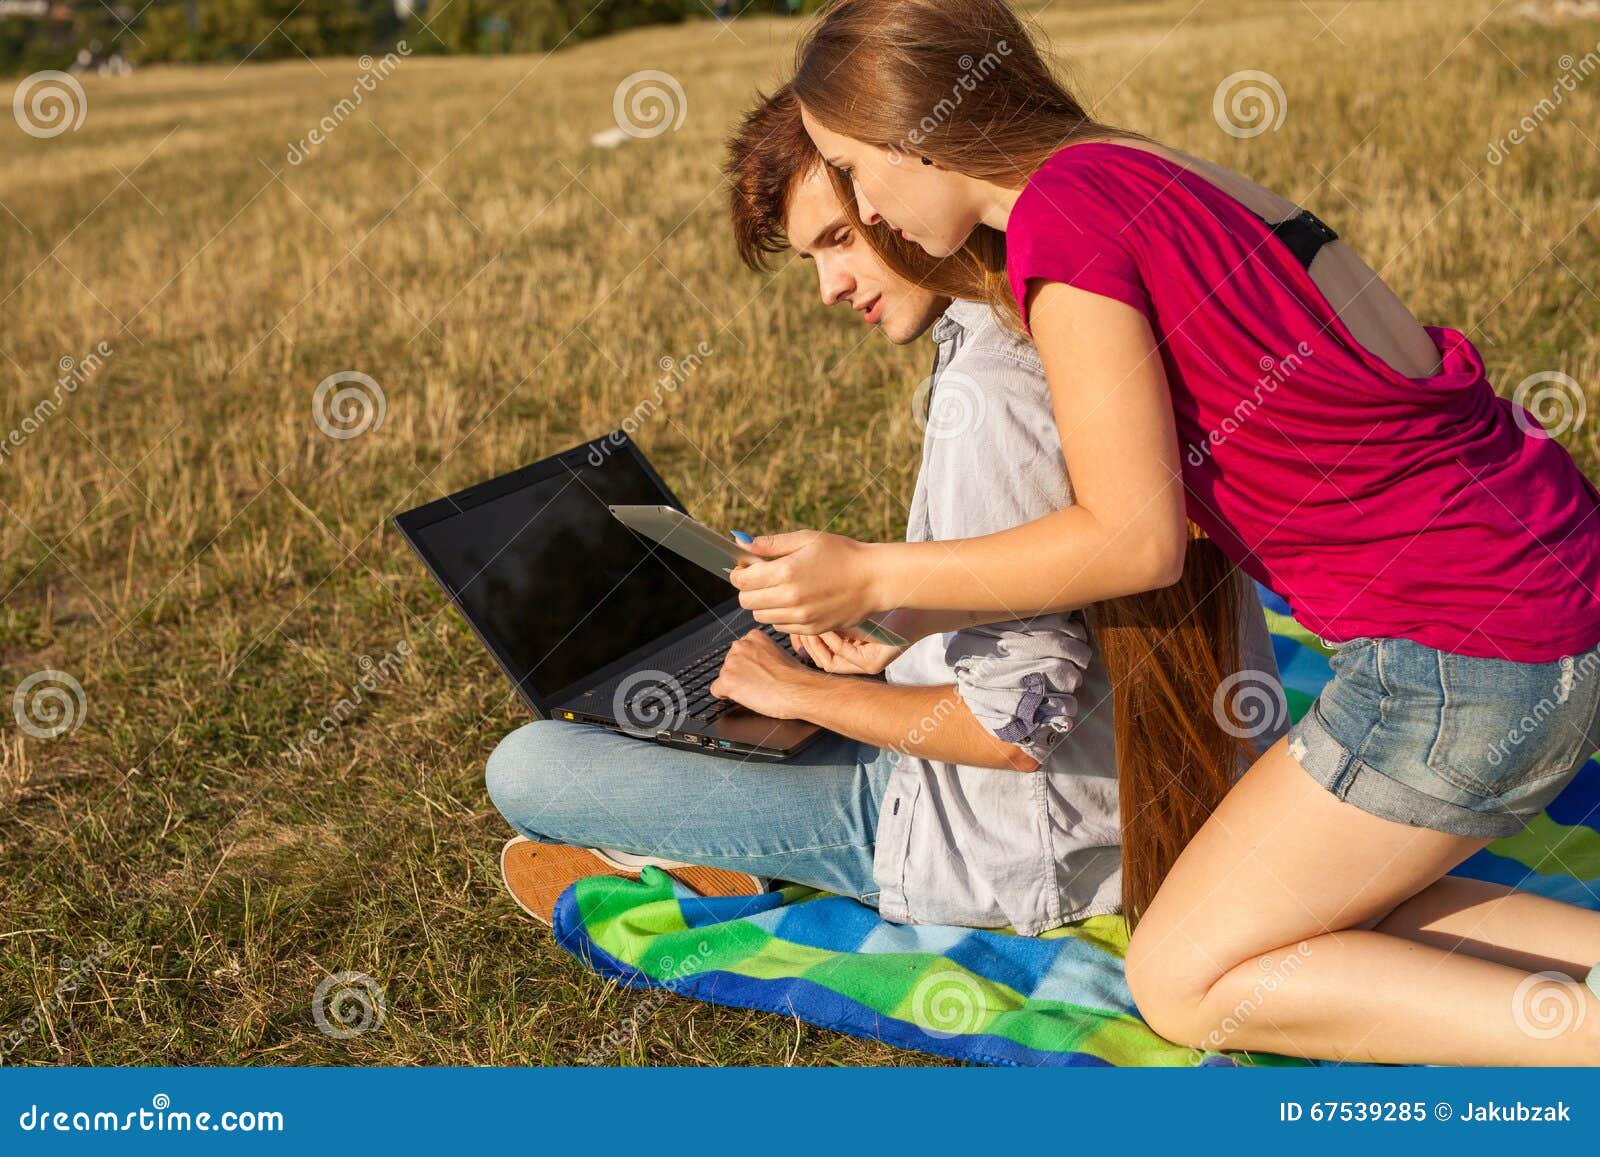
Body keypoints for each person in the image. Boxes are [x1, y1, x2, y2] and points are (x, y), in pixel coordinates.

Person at [730, 0, 1600, 1063]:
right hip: (1548, 584)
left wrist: (871, 573)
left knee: (1182, 977)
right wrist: (911, 612)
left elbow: (1132, 539)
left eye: (853, 171)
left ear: (916, 130)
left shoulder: (1063, 220)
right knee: (1279, 906)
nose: (864, 210)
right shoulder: (1127, 167)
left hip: (1464, 658)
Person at [483, 85, 1287, 937]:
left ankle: (708, 857)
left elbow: (1015, 729)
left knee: (528, 766)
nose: (830, 287)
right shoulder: (1038, 309)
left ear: (895, 189)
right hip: (1118, 783)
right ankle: (704, 832)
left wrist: (801, 691)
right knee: (713, 717)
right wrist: (897, 625)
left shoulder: (994, 388)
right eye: (812, 259)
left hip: (997, 839)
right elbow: (1053, 600)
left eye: (840, 237)